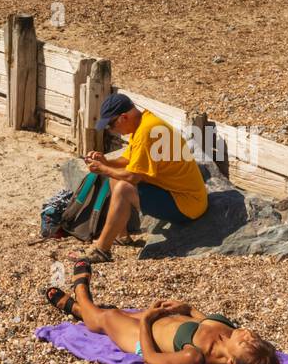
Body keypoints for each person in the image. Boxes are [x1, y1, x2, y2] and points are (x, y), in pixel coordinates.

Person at [46, 260, 281, 364]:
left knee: (105, 318)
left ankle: (81, 292)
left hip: (142, 337)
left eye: (247, 342)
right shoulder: (229, 334)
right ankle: (77, 309)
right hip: (159, 321)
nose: (249, 333)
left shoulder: (195, 359)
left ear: (231, 363)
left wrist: (147, 320)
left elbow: (151, 359)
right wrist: (187, 308)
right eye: (255, 338)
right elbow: (202, 321)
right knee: (107, 315)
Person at [81, 92, 208, 263]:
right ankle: (121, 235)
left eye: (111, 125)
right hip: (179, 195)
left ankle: (101, 250)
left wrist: (103, 169)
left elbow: (133, 177)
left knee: (124, 188)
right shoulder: (144, 122)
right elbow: (128, 160)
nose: (112, 131)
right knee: (115, 178)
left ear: (123, 117)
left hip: (187, 205)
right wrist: (106, 162)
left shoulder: (147, 132)